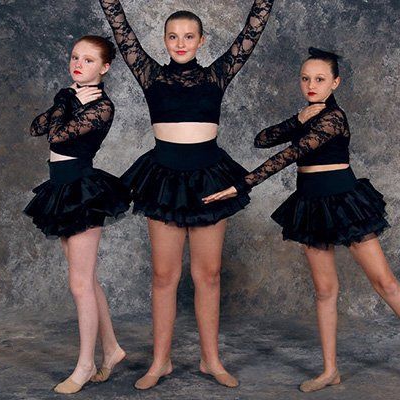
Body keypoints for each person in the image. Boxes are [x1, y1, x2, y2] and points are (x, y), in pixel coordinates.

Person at [203, 47, 400, 396]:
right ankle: (330, 370)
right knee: (324, 290)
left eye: (320, 79)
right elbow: (261, 139)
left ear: (335, 82)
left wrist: (241, 185)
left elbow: (290, 154)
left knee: (385, 283)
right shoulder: (308, 114)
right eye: (306, 79)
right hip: (311, 205)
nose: (311, 85)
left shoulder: (334, 118)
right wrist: (297, 119)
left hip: (345, 202)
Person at [99, 0, 274, 390]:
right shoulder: (149, 75)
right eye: (173, 37)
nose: (181, 43)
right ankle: (160, 361)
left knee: (207, 275)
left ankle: (211, 360)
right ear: (163, 40)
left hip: (210, 177)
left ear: (201, 41)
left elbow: (252, 30)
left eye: (189, 37)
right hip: (163, 179)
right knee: (164, 276)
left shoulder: (217, 75)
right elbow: (120, 28)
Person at [24, 35, 130, 394]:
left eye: (88, 60)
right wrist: (66, 98)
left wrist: (67, 100)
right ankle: (111, 349)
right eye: (75, 57)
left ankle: (86, 366)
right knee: (87, 279)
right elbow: (35, 127)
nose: (78, 64)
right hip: (60, 188)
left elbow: (56, 136)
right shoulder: (72, 97)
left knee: (80, 283)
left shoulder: (101, 106)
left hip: (83, 191)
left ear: (105, 67)